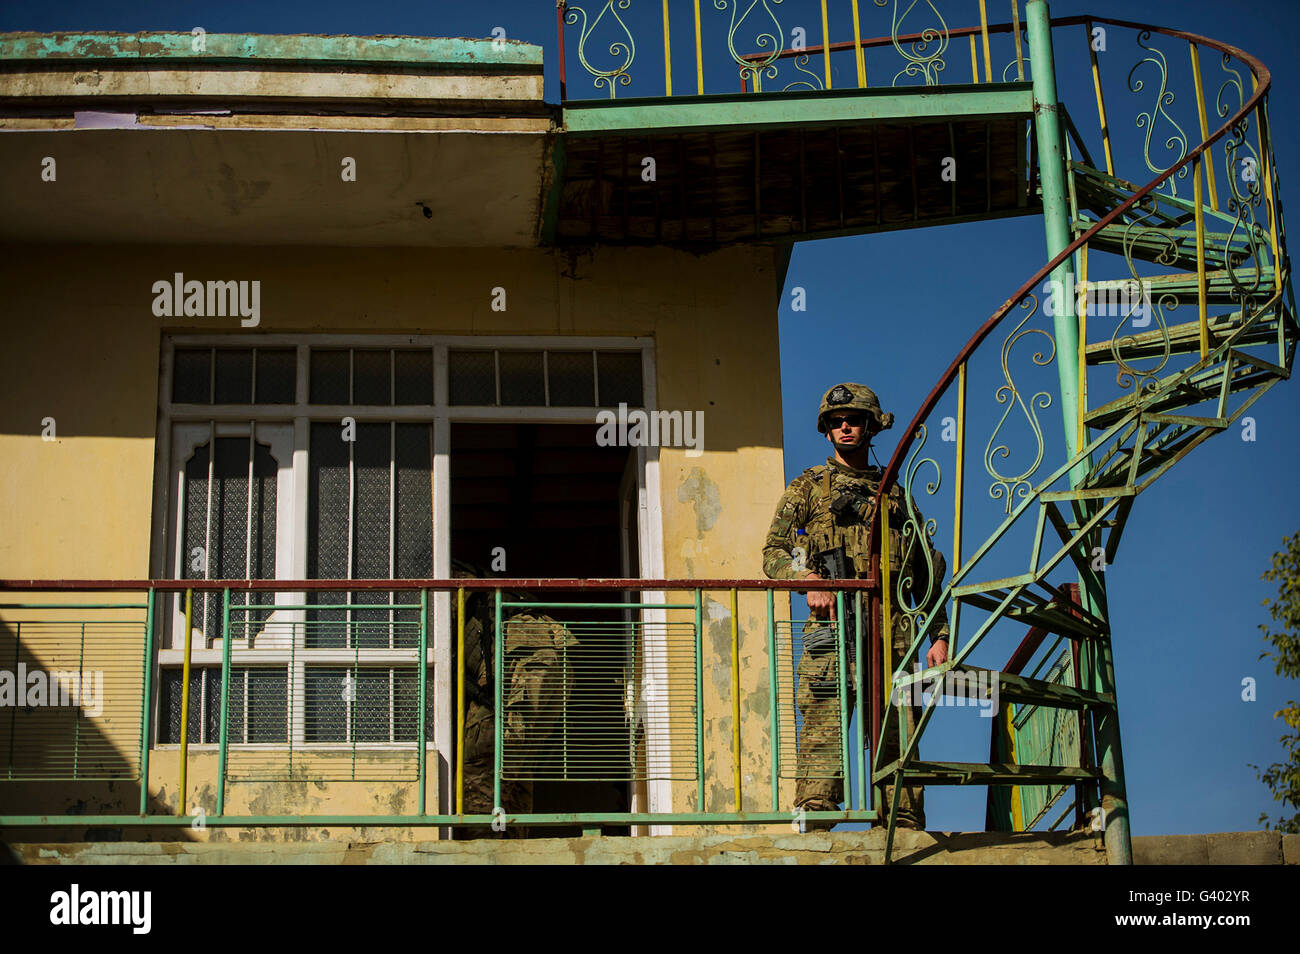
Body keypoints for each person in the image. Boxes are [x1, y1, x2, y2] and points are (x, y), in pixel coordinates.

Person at [763, 383, 950, 830]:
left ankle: (901, 821)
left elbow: (924, 574)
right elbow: (773, 554)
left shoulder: (896, 497)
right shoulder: (808, 487)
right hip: (832, 629)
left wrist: (940, 634)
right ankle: (815, 819)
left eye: (852, 419)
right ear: (826, 430)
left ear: (870, 426)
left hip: (894, 630)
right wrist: (806, 578)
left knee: (898, 727)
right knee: (824, 725)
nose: (843, 427)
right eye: (835, 421)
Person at [453, 562, 579, 838]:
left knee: (480, 760)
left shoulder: (445, 573)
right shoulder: (474, 578)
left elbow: (430, 643)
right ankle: (513, 846)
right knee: (516, 766)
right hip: (553, 651)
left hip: (520, 656)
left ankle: (485, 850)